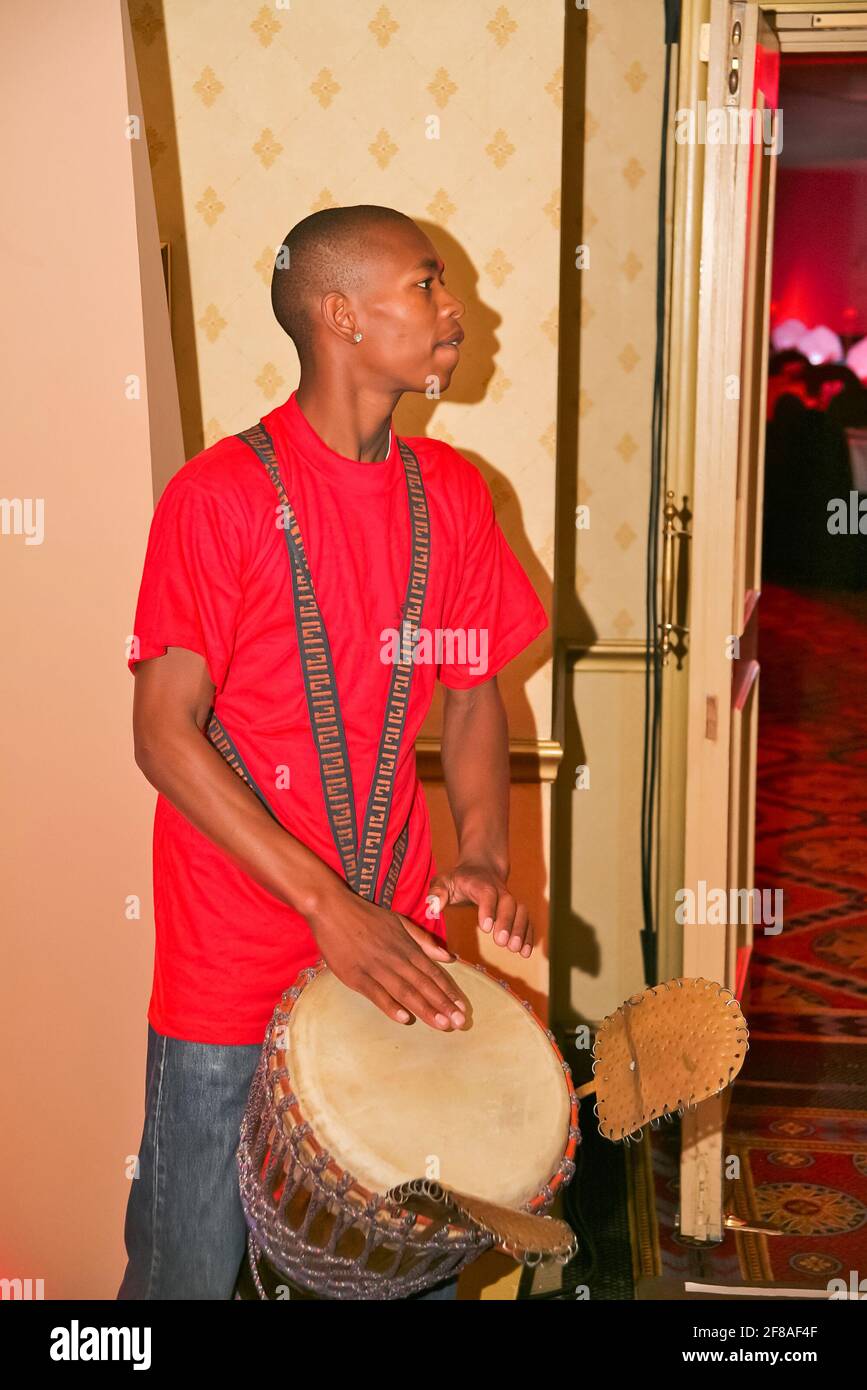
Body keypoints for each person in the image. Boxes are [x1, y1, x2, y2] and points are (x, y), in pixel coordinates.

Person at [117, 204, 550, 1300]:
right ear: (340, 315)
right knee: (187, 1273)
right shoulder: (216, 496)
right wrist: (326, 907)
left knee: (398, 1269)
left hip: (393, 941)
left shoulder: (456, 495)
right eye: (427, 284)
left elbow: (472, 696)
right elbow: (163, 734)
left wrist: (487, 854)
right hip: (232, 948)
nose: (458, 309)